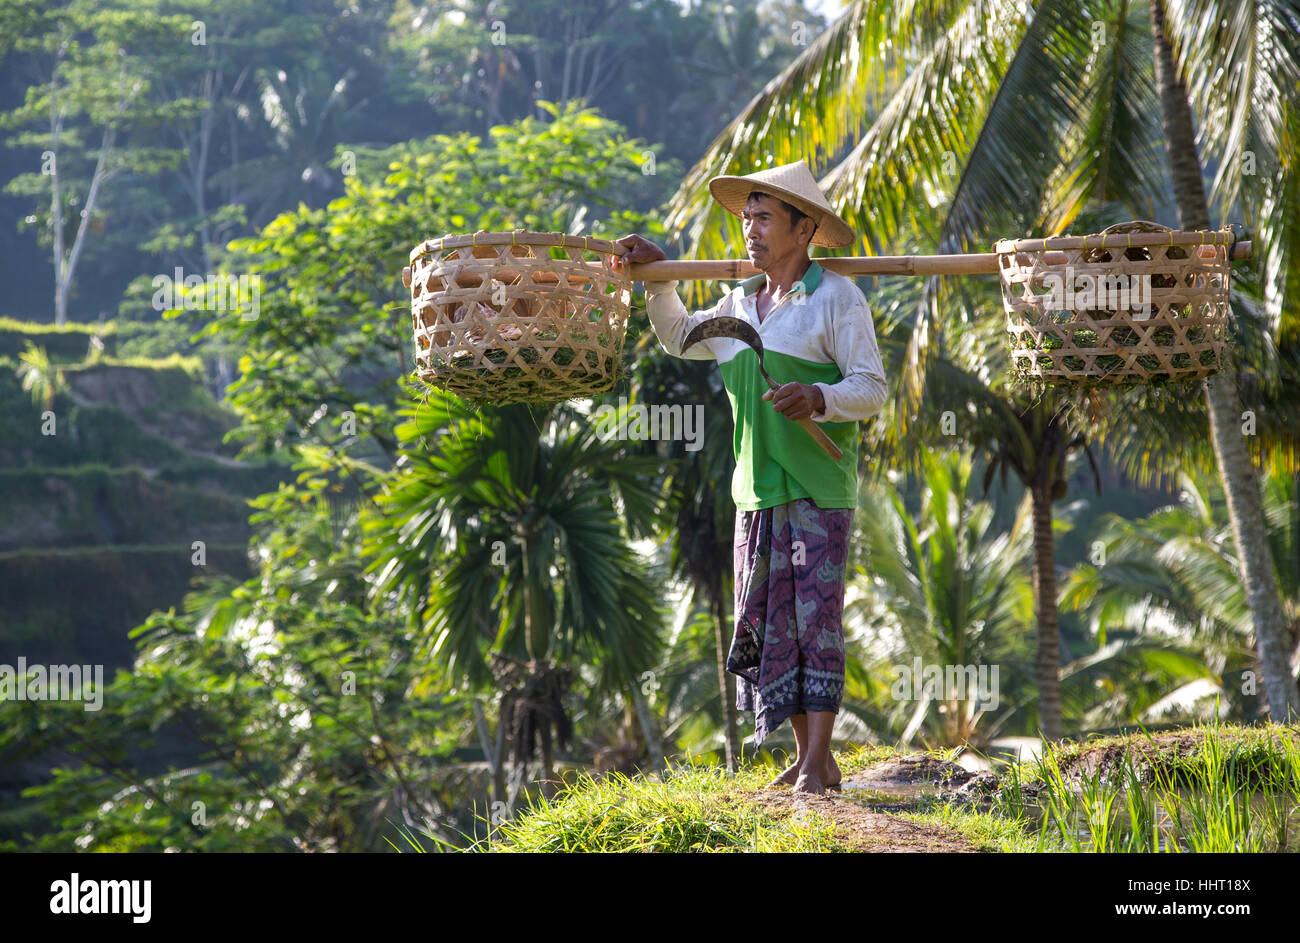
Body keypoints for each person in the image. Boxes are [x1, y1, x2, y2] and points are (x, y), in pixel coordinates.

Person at [615, 159, 888, 794]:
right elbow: (682, 337)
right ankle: (806, 755)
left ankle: (819, 760)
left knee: (816, 618)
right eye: (747, 218)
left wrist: (818, 398)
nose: (751, 229)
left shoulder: (836, 299)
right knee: (769, 620)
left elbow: (871, 388)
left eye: (765, 218)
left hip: (817, 487)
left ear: (805, 228)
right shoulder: (738, 304)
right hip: (754, 488)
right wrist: (658, 279)